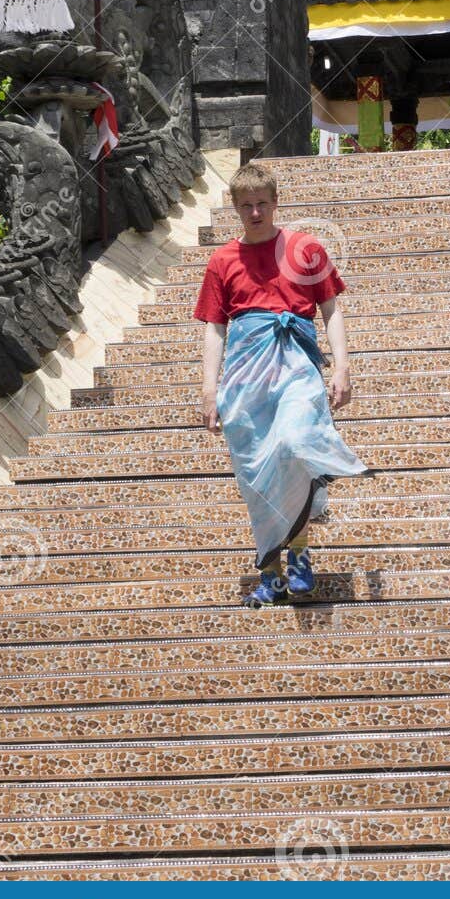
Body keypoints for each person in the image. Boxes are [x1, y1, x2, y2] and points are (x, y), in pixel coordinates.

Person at [194, 161, 366, 607]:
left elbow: (330, 308)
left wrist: (342, 366)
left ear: (276, 203)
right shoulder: (222, 260)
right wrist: (209, 391)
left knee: (293, 444)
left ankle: (302, 549)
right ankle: (273, 571)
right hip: (244, 372)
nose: (255, 213)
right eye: (246, 205)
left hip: (295, 362)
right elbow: (214, 327)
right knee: (257, 475)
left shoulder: (305, 249)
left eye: (262, 204)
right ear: (236, 207)